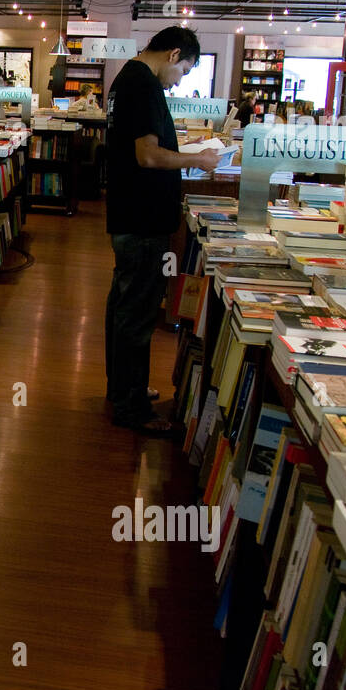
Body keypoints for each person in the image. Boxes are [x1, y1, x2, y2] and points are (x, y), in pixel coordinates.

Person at [105, 27, 220, 436]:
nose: (181, 79)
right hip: (142, 218)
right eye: (185, 70)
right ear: (174, 54)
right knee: (136, 312)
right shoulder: (145, 85)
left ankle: (123, 389)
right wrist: (198, 161)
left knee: (123, 306)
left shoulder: (127, 78)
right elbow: (148, 156)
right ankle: (130, 407)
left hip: (130, 213)